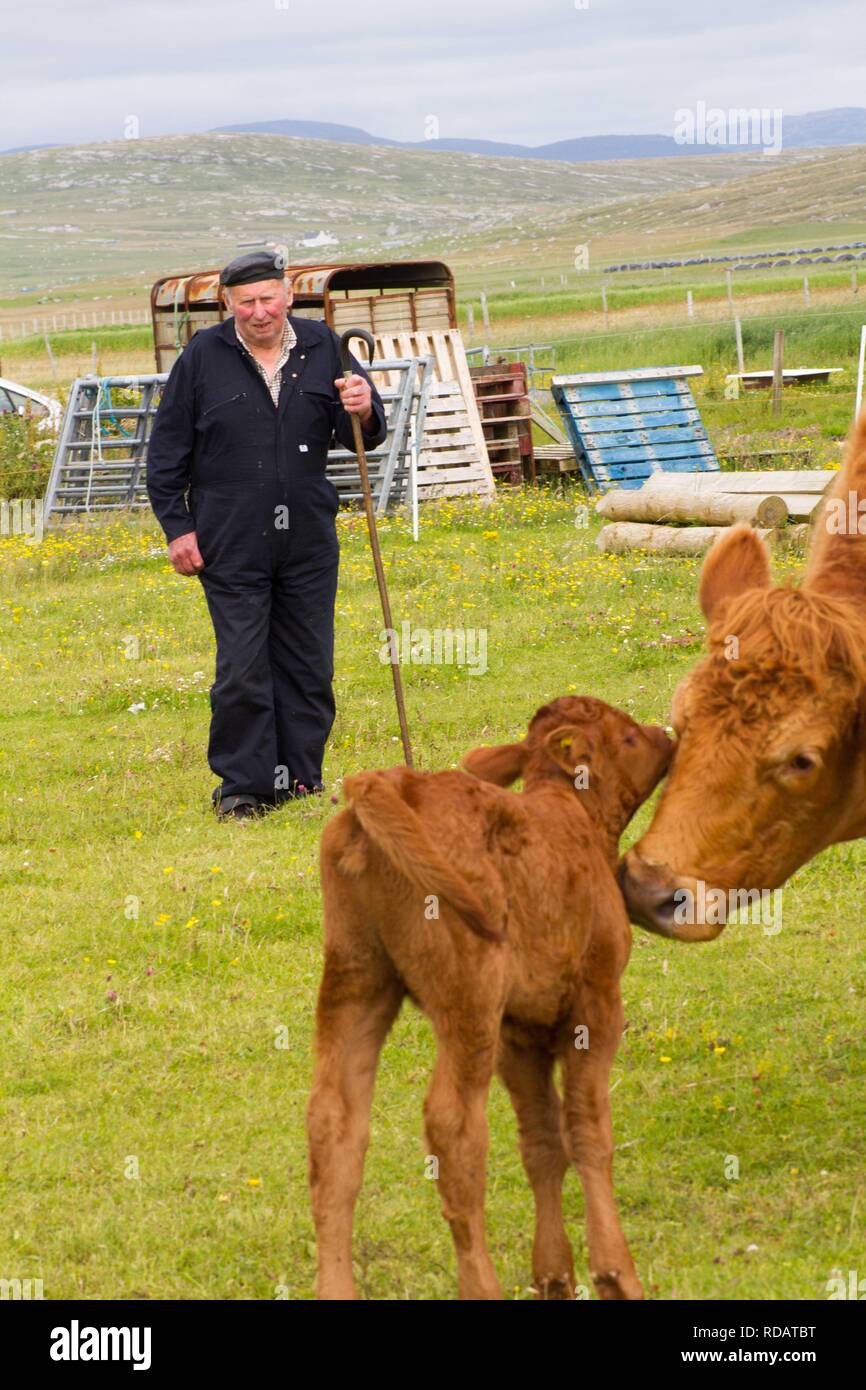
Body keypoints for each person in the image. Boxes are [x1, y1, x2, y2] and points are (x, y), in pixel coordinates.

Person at [146, 249, 387, 819]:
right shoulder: (203, 356)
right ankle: (244, 789)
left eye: (269, 299)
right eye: (247, 302)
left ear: (287, 294)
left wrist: (364, 405)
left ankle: (300, 779)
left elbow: (364, 435)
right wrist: (178, 529)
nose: (260, 312)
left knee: (308, 663)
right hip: (229, 538)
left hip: (307, 535)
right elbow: (166, 452)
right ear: (227, 304)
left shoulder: (323, 345)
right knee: (243, 667)